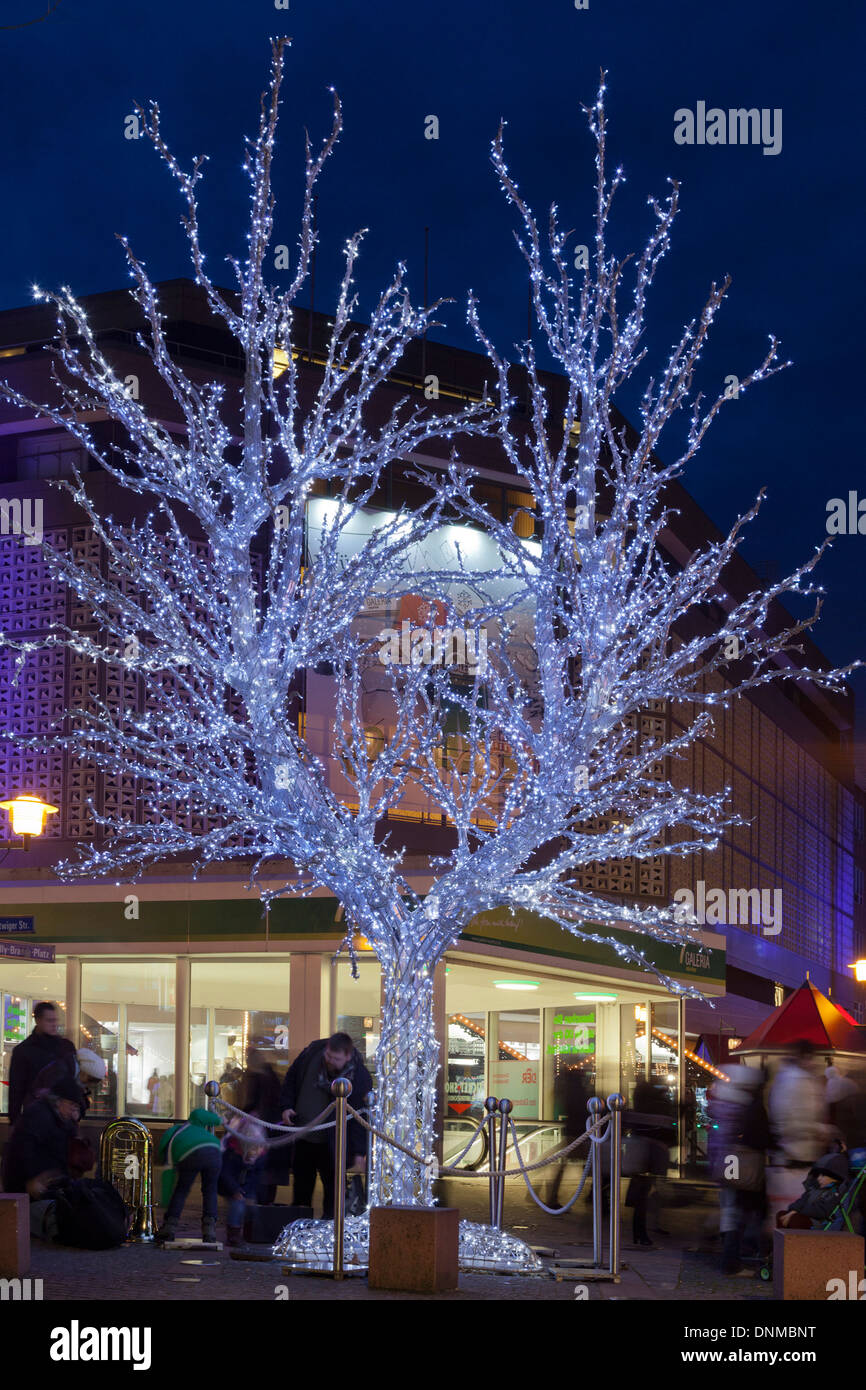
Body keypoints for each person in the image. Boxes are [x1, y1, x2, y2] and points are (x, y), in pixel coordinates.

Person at [280, 1032, 372, 1219]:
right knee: (301, 1191)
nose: (330, 1061)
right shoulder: (312, 1054)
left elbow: (359, 1117)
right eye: (328, 1055)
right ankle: (300, 1231)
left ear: (347, 1055)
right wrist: (287, 1106)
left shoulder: (359, 1076)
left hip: (333, 1143)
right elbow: (291, 1078)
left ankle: (330, 1235)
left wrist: (358, 1152)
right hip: (305, 1135)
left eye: (336, 1058)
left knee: (333, 1194)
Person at [1, 1076, 86, 1236]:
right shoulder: (38, 1114)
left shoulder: (60, 1117)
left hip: (50, 1180)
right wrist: (31, 1179)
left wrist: (74, 1125)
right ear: (59, 1101)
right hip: (30, 1185)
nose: (73, 1111)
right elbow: (21, 1149)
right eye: (72, 1106)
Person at [708, 1064, 771, 1275]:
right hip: (738, 1162)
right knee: (736, 1211)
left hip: (724, 1161)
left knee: (730, 1210)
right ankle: (731, 1261)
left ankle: (730, 1256)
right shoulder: (743, 1104)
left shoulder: (723, 1100)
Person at [767, 1039, 831, 1230]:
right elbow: (795, 1121)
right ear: (805, 1057)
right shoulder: (798, 1082)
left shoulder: (788, 1079)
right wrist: (821, 1130)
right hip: (797, 1156)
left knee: (790, 1211)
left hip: (794, 1156)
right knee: (795, 1214)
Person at [155, 1106, 223, 1243]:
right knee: (210, 1191)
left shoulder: (172, 1135)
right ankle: (209, 1231)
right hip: (215, 1150)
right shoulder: (197, 1125)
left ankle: (169, 1228)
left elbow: (168, 1177)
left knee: (181, 1190)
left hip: (190, 1152)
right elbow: (211, 1118)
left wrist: (165, 1202)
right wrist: (220, 1118)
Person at [7, 1001, 77, 1124]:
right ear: (38, 1021)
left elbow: (75, 1081)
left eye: (55, 1020)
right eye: (49, 1021)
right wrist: (14, 1119)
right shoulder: (24, 1051)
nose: (54, 1024)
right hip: (37, 1119)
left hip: (62, 1119)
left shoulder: (66, 1047)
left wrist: (77, 1108)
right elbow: (16, 1090)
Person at [623, 1079, 674, 1247]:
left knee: (641, 1195)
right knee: (648, 1193)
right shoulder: (660, 1105)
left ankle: (641, 1231)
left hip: (638, 1154)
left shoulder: (639, 1106)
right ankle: (647, 1230)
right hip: (653, 1155)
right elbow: (668, 1132)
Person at [219, 1113, 267, 1246]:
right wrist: (235, 1190)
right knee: (237, 1206)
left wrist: (249, 1192)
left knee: (252, 1207)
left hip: (246, 1184)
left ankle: (249, 1233)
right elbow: (225, 1174)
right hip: (230, 1184)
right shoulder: (232, 1153)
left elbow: (256, 1176)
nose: (256, 1151)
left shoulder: (260, 1155)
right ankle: (233, 1234)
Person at [777, 1151, 849, 1229]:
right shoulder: (815, 1188)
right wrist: (793, 1210)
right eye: (818, 1175)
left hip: (819, 1222)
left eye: (823, 1176)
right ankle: (784, 1240)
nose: (819, 1178)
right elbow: (802, 1200)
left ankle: (795, 1240)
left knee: (795, 1220)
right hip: (807, 1215)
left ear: (835, 1178)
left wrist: (797, 1211)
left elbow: (821, 1211)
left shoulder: (835, 1192)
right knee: (781, 1215)